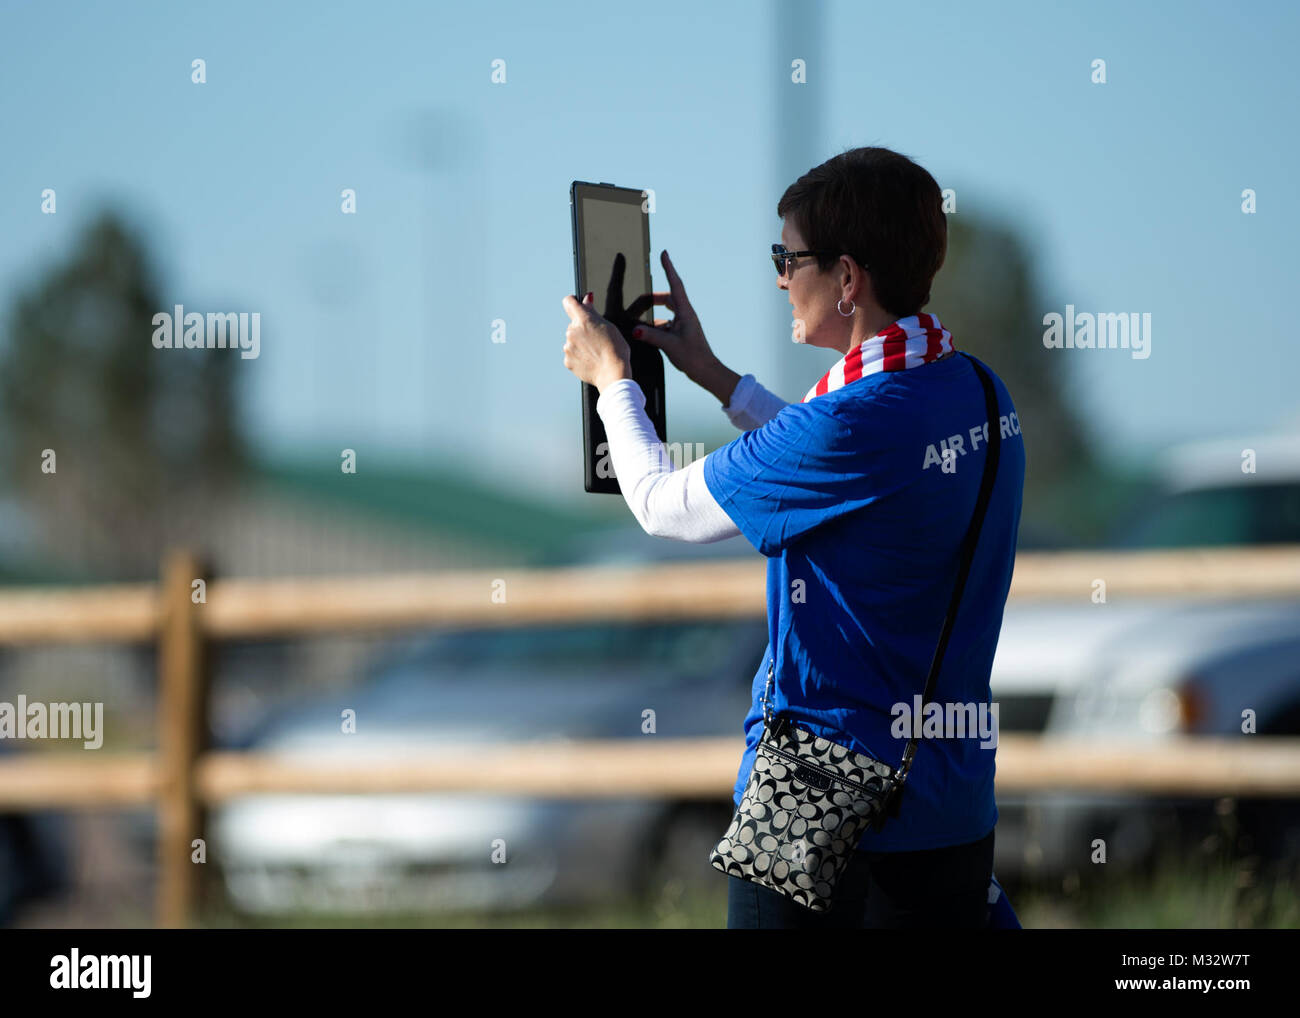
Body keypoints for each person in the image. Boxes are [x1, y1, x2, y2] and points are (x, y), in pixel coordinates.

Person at [561, 146, 1025, 929]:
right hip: (952, 802)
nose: (779, 277)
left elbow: (662, 504)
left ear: (847, 279)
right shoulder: (975, 391)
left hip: (822, 807)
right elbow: (855, 472)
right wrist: (718, 378)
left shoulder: (846, 422)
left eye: (789, 256)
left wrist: (614, 383)